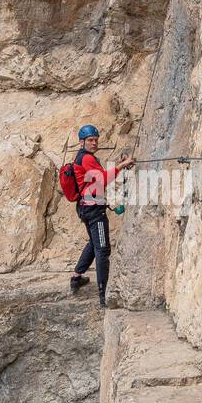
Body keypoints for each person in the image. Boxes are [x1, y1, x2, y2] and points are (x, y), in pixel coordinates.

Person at [69, 124, 134, 308]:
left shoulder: (82, 157)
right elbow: (103, 179)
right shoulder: (87, 159)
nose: (94, 143)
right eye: (90, 140)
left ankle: (76, 277)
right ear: (82, 142)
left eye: (96, 140)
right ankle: (103, 294)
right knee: (103, 249)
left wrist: (119, 164)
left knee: (93, 242)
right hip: (94, 210)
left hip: (86, 207)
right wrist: (122, 165)